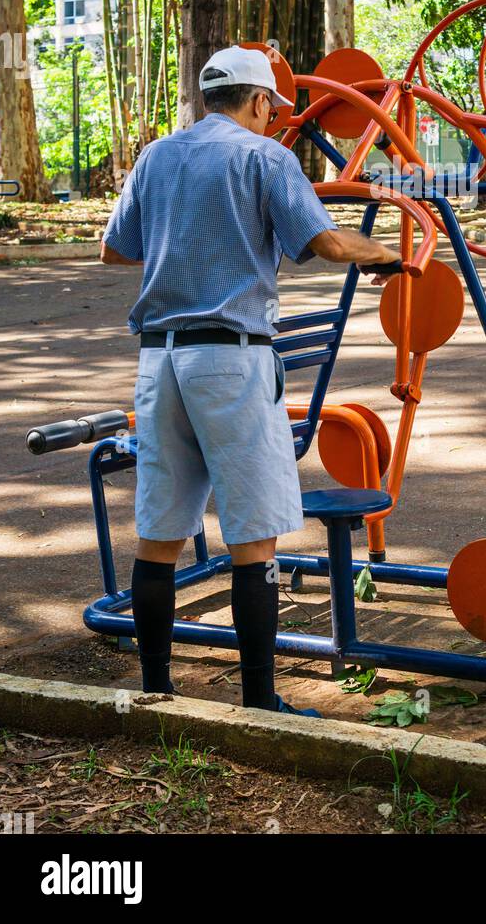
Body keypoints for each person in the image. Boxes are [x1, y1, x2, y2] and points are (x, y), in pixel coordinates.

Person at [100, 44, 400, 716]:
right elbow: (326, 242)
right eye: (273, 108)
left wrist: (183, 244)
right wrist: (386, 254)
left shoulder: (156, 156)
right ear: (260, 101)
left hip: (160, 361)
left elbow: (114, 249)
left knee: (160, 532)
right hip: (230, 361)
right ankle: (261, 701)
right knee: (253, 534)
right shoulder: (265, 157)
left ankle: (156, 693)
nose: (273, 117)